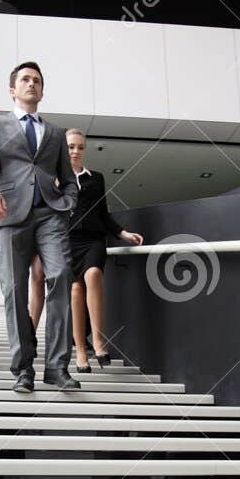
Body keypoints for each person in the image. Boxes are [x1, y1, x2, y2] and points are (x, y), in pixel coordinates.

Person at [0, 61, 80, 392]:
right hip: (8, 215)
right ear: (12, 90)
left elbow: (69, 176)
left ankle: (57, 366)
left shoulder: (56, 133)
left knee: (61, 276)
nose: (31, 84)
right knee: (14, 288)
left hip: (51, 213)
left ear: (42, 90)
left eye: (36, 80)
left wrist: (68, 204)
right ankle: (24, 369)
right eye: (24, 79)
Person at [64, 128, 144, 371]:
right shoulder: (55, 178)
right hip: (67, 242)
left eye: (80, 147)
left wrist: (123, 233)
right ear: (63, 149)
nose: (76, 151)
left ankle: (98, 339)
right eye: (70, 147)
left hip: (94, 240)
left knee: (93, 274)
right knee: (76, 289)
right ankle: (80, 349)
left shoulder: (96, 178)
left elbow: (103, 214)